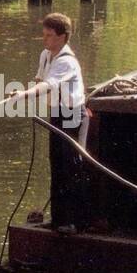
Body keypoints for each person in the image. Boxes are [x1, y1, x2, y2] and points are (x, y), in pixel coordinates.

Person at [10, 13, 88, 233]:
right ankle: (58, 219)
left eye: (49, 35)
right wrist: (26, 92)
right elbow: (41, 81)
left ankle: (74, 222)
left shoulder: (67, 62)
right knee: (56, 164)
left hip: (73, 115)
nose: (45, 40)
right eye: (43, 34)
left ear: (63, 37)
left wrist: (25, 94)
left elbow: (49, 85)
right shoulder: (46, 55)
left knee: (71, 166)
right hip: (57, 113)